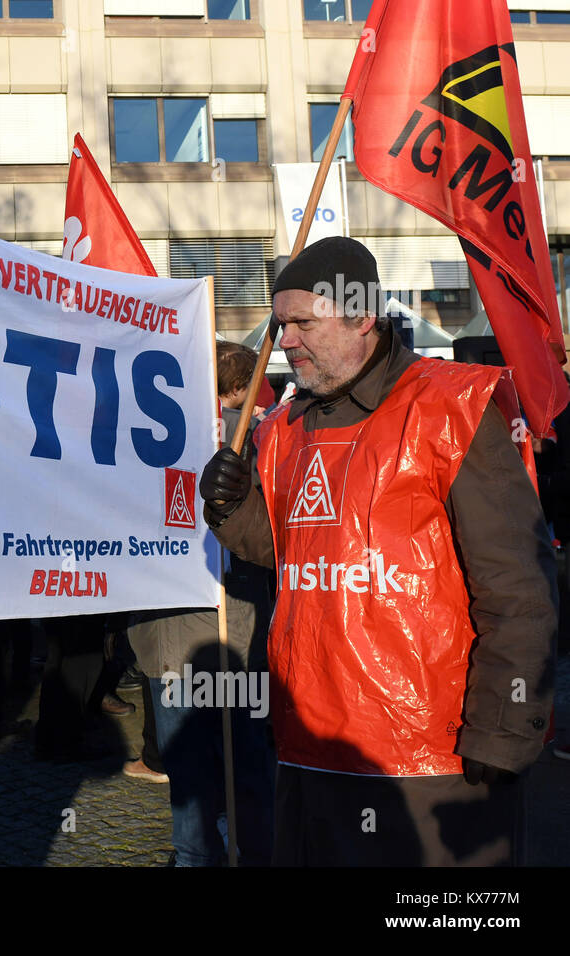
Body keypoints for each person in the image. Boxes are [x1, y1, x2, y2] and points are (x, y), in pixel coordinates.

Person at [200, 236, 557, 865]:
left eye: (302, 323)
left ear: (363, 316)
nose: (285, 341)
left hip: (431, 757)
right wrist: (231, 507)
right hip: (310, 745)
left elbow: (519, 588)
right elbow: (287, 549)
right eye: (282, 325)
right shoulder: (283, 427)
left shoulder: (451, 408)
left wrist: (504, 729)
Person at [123, 341, 275, 866]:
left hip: (184, 650)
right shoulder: (266, 436)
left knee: (193, 795)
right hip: (236, 639)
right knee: (251, 782)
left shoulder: (134, 440)